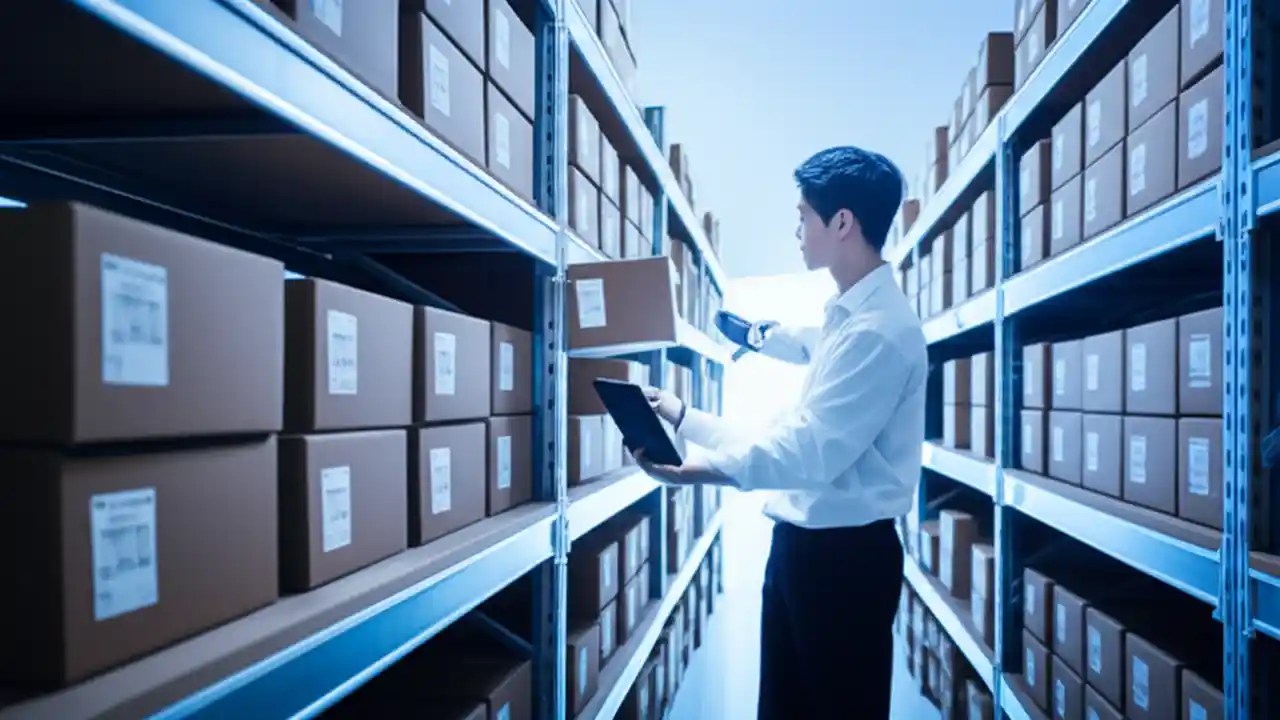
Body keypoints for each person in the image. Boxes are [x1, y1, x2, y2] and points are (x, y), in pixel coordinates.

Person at [638, 146, 927, 719]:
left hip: (843, 563)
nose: (796, 229)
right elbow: (808, 343)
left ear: (841, 222)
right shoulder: (848, 316)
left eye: (803, 216)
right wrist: (690, 405)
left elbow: (807, 452)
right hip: (805, 550)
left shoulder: (880, 334)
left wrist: (697, 459)